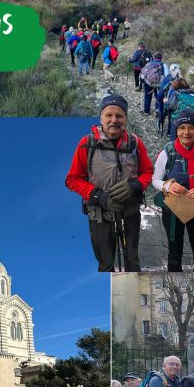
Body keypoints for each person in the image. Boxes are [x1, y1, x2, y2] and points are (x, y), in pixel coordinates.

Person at [64, 95, 152, 272]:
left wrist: (135, 186)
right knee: (106, 263)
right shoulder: (87, 144)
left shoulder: (135, 143)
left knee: (133, 260)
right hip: (100, 213)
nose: (114, 120)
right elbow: (72, 179)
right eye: (109, 115)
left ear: (125, 118)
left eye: (119, 116)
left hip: (130, 211)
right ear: (101, 118)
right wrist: (100, 196)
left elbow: (148, 172)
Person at [151, 109, 194, 272]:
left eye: (191, 128)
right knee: (174, 253)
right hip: (172, 209)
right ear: (177, 130)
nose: (186, 132)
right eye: (182, 128)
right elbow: (154, 180)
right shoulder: (167, 153)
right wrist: (167, 186)